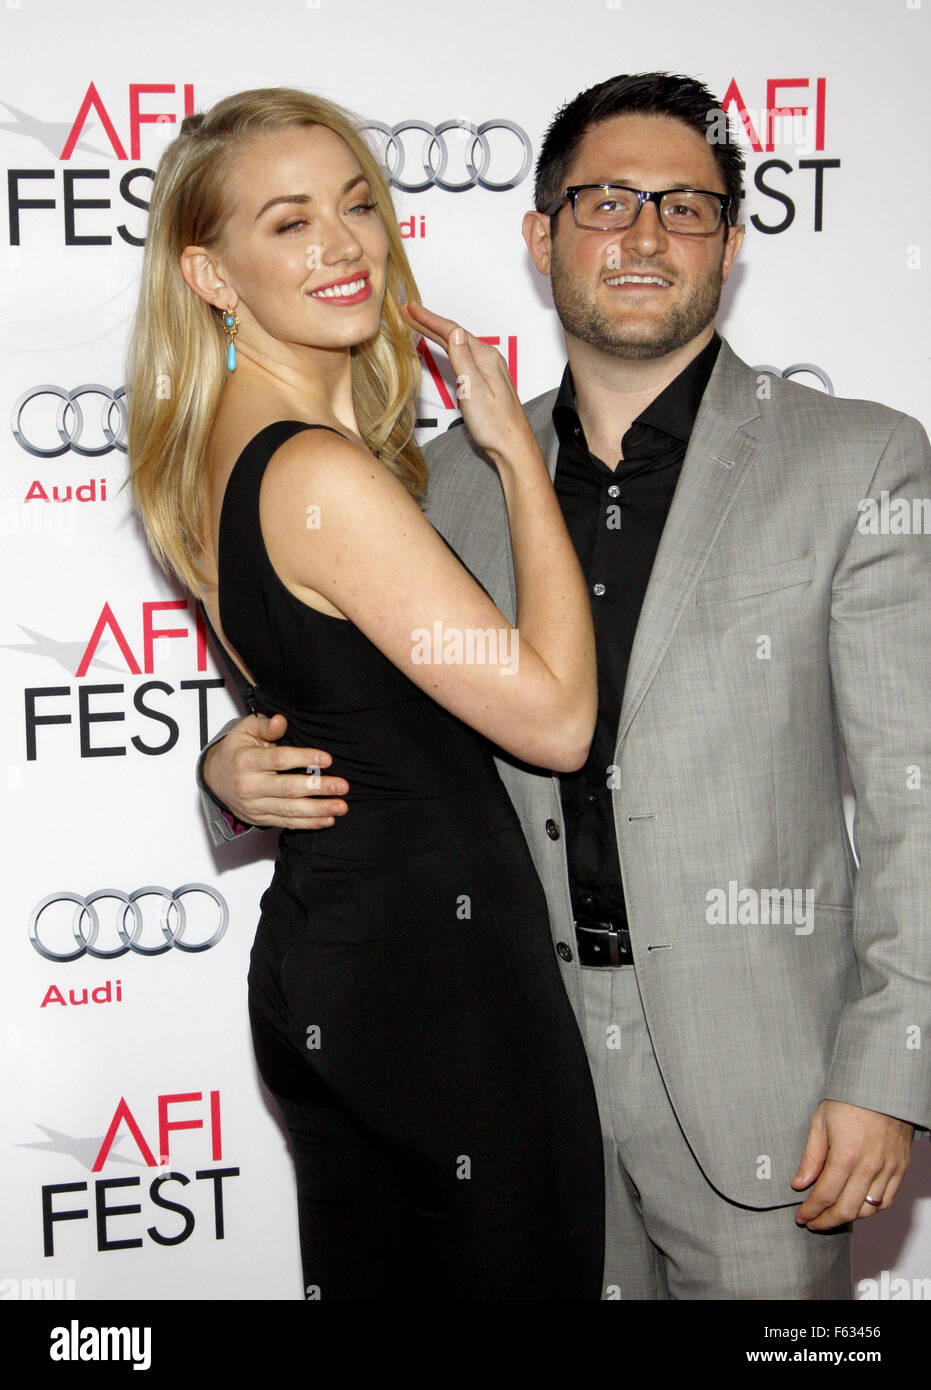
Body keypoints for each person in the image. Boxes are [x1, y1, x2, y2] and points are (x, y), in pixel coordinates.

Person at [201, 73, 931, 1301]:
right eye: (604, 201)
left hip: (765, 1077)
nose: (645, 235)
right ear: (540, 238)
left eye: (686, 208)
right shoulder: (437, 481)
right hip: (504, 1054)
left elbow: (918, 792)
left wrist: (889, 1063)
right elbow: (366, 708)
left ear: (733, 245)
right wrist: (229, 769)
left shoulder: (858, 458)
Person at [128, 87, 607, 1300]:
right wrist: (513, 452)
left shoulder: (220, 457)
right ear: (213, 274)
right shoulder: (323, 475)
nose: (342, 244)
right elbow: (555, 719)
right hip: (430, 987)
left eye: (356, 206)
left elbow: (320, 692)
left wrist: (220, 761)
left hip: (344, 955)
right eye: (286, 223)